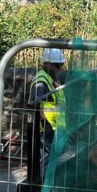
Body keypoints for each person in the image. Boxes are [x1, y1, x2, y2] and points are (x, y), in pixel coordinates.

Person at [29, 48, 66, 181]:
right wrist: (46, 124)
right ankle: (41, 188)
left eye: (60, 65)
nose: (59, 68)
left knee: (52, 162)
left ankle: (47, 185)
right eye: (56, 65)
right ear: (47, 63)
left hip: (55, 128)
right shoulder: (41, 81)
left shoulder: (51, 78)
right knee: (45, 163)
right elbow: (35, 105)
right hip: (45, 130)